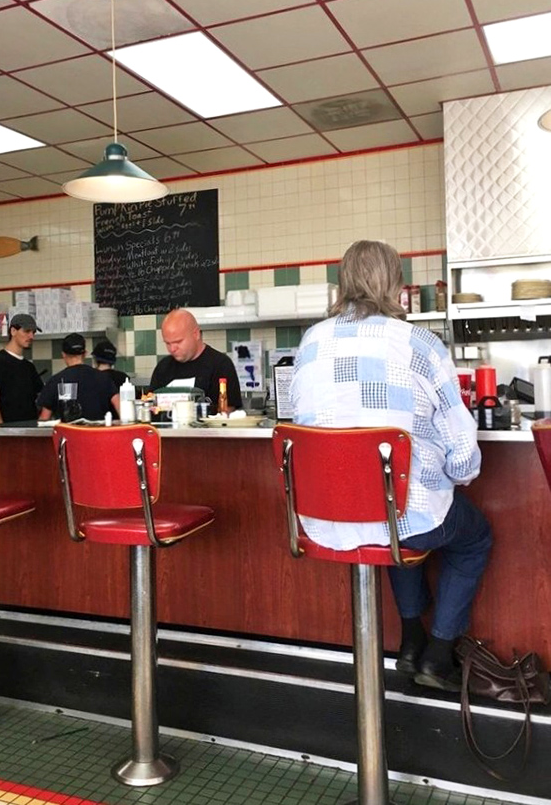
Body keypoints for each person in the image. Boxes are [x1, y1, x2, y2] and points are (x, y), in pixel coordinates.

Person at [290, 240, 492, 692]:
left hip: (323, 519)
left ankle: (410, 640)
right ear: (396, 285)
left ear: (343, 283)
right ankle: (438, 655)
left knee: (391, 512)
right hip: (403, 519)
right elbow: (463, 453)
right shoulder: (420, 342)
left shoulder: (311, 341)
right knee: (467, 534)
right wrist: (457, 475)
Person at [149, 308, 242, 412]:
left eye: (178, 342)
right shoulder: (163, 368)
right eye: (168, 343)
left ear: (196, 334)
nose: (172, 349)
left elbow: (227, 411)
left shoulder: (220, 365)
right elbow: (152, 406)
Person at [38, 333, 119, 421]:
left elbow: (44, 419)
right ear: (85, 354)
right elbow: (122, 410)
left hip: (67, 434)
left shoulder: (55, 381)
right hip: (98, 433)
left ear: (63, 355)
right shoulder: (104, 378)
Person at [0, 313, 43, 424]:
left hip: (28, 432)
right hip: (8, 433)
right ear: (13, 331)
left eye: (33, 332)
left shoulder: (29, 367)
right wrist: (1, 431)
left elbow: (40, 397)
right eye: (26, 331)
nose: (31, 336)